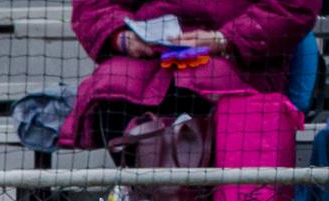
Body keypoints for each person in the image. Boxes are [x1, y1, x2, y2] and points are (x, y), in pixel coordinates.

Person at [58, 1, 318, 152]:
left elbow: (292, 7)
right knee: (113, 83)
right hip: (149, 57)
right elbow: (92, 7)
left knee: (209, 84)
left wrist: (224, 39)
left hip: (240, 62)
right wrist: (121, 36)